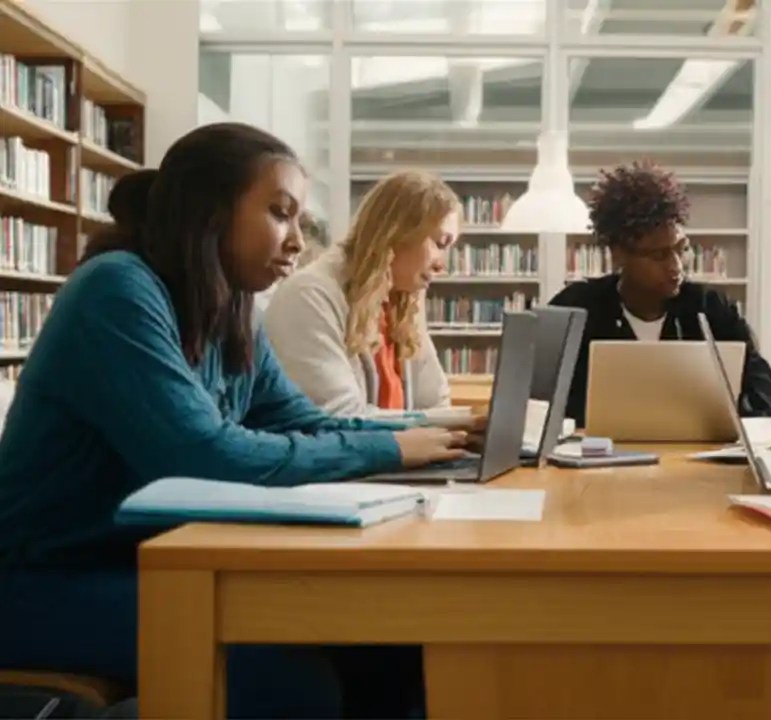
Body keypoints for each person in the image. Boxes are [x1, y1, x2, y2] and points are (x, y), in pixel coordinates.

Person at [0, 123, 473, 718]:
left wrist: (439, 437)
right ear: (210, 212)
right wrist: (396, 450)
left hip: (153, 557)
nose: (299, 242)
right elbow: (206, 455)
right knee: (287, 681)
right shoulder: (117, 291)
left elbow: (302, 419)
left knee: (389, 646)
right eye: (281, 213)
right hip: (41, 580)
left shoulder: (234, 310)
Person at [549, 160, 771, 425]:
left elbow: (767, 399)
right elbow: (538, 407)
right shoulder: (574, 310)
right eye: (659, 255)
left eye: (681, 248)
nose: (676, 266)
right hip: (597, 458)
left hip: (693, 459)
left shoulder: (710, 308)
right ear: (619, 254)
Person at [264, 169, 456, 417]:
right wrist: (448, 426)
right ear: (397, 232)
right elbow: (339, 417)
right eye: (440, 244)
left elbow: (435, 402)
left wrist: (459, 427)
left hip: (397, 454)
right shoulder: (309, 296)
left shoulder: (401, 302)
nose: (442, 265)